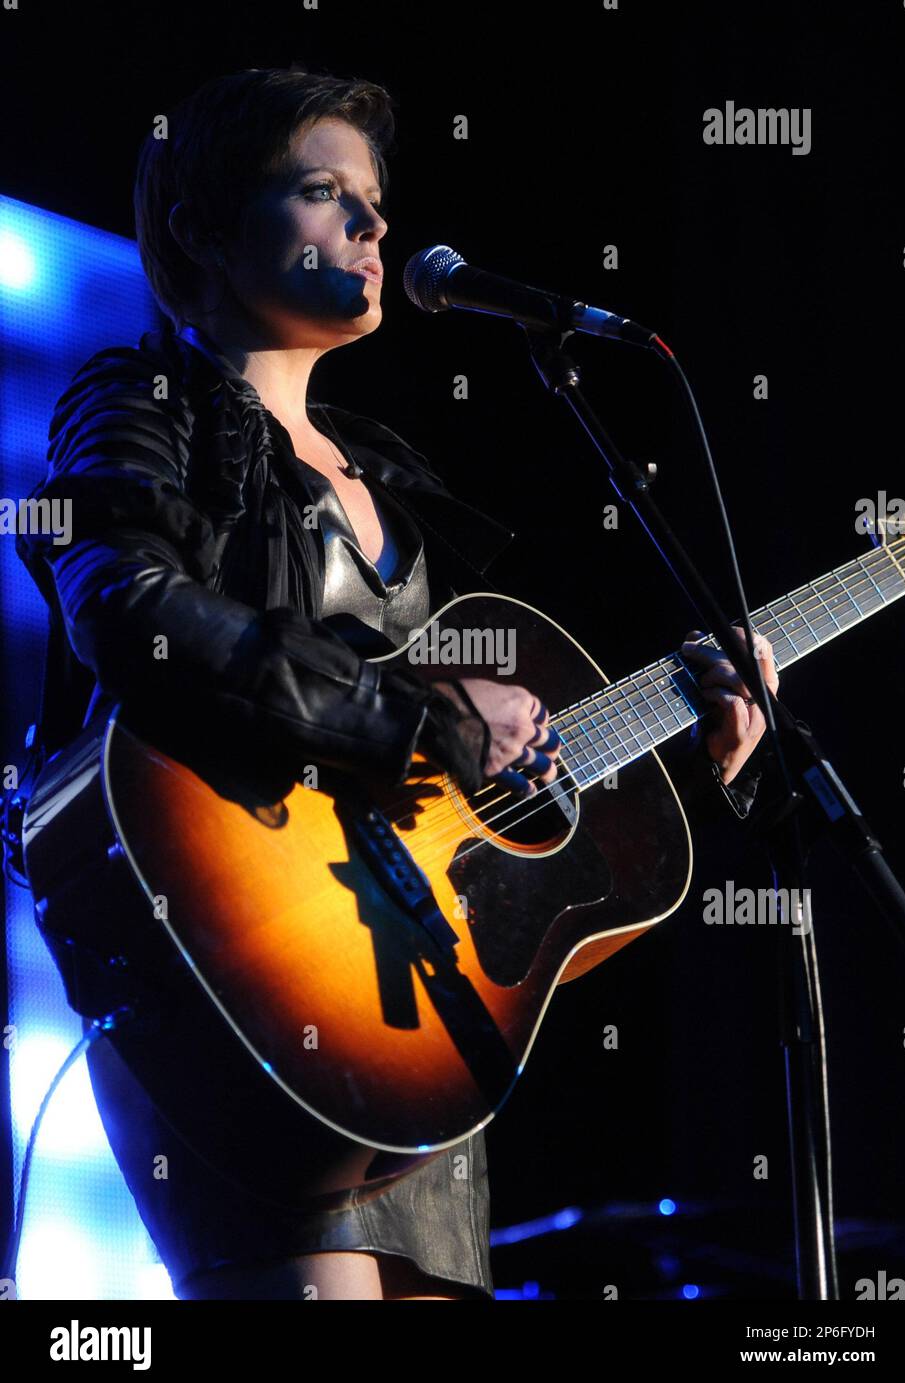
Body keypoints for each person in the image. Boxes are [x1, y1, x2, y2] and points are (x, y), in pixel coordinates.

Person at [15, 66, 777, 1301]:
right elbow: (127, 609)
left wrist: (689, 736)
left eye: (374, 200)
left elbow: (477, 802)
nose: (376, 228)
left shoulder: (392, 481)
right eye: (326, 195)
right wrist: (421, 713)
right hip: (237, 991)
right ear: (206, 229)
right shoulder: (145, 403)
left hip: (400, 1006)